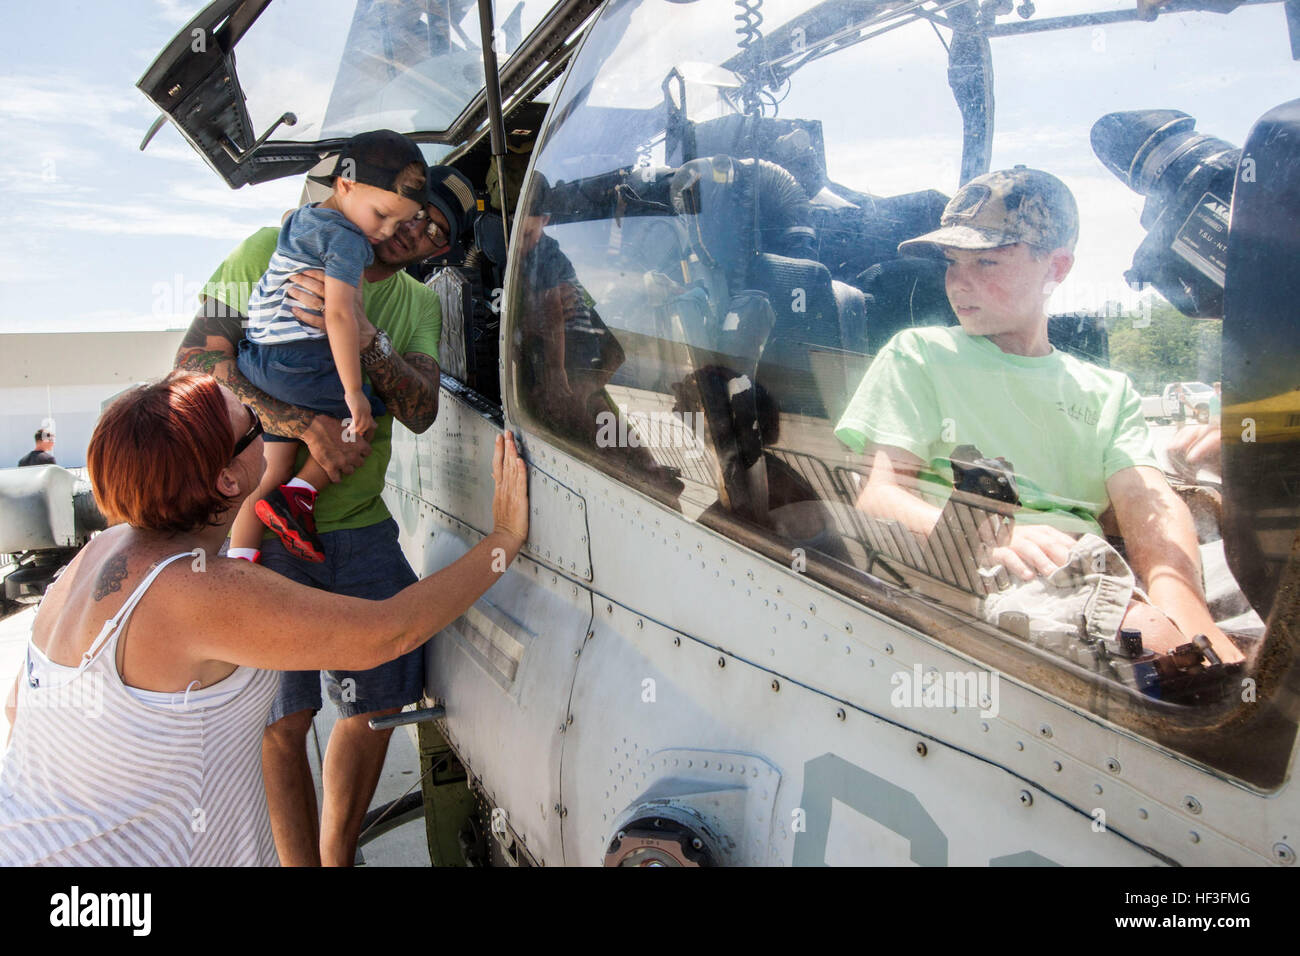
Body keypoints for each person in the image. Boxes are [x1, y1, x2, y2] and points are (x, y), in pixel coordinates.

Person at [0, 372, 528, 865]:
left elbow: (18, 706)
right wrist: (503, 539)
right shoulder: (198, 589)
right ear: (229, 481)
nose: (271, 425)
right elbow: (390, 631)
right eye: (254, 423)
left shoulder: (100, 552)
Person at [174, 162, 481, 866]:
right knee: (284, 716)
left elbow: (423, 410)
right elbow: (192, 362)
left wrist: (365, 336)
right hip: (268, 521)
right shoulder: (264, 249)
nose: (417, 231)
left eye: (437, 230)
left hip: (359, 522)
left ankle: (337, 856)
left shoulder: (419, 308)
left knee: (380, 698)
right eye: (415, 211)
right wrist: (301, 426)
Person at [834, 167, 1243, 666]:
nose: (959, 283)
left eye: (986, 262)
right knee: (1157, 644)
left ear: (1057, 267)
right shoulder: (920, 356)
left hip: (1099, 563)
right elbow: (881, 496)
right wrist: (988, 531)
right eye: (951, 262)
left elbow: (1146, 504)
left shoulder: (1108, 391)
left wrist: (1189, 611)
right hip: (986, 569)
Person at [229, 130, 426, 564]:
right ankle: (297, 497)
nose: (386, 231)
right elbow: (338, 316)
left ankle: (241, 559)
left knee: (271, 467)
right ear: (346, 183)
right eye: (382, 215)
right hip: (300, 359)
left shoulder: (303, 218)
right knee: (364, 421)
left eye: (400, 223)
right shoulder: (350, 241)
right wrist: (354, 394)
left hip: (260, 358)